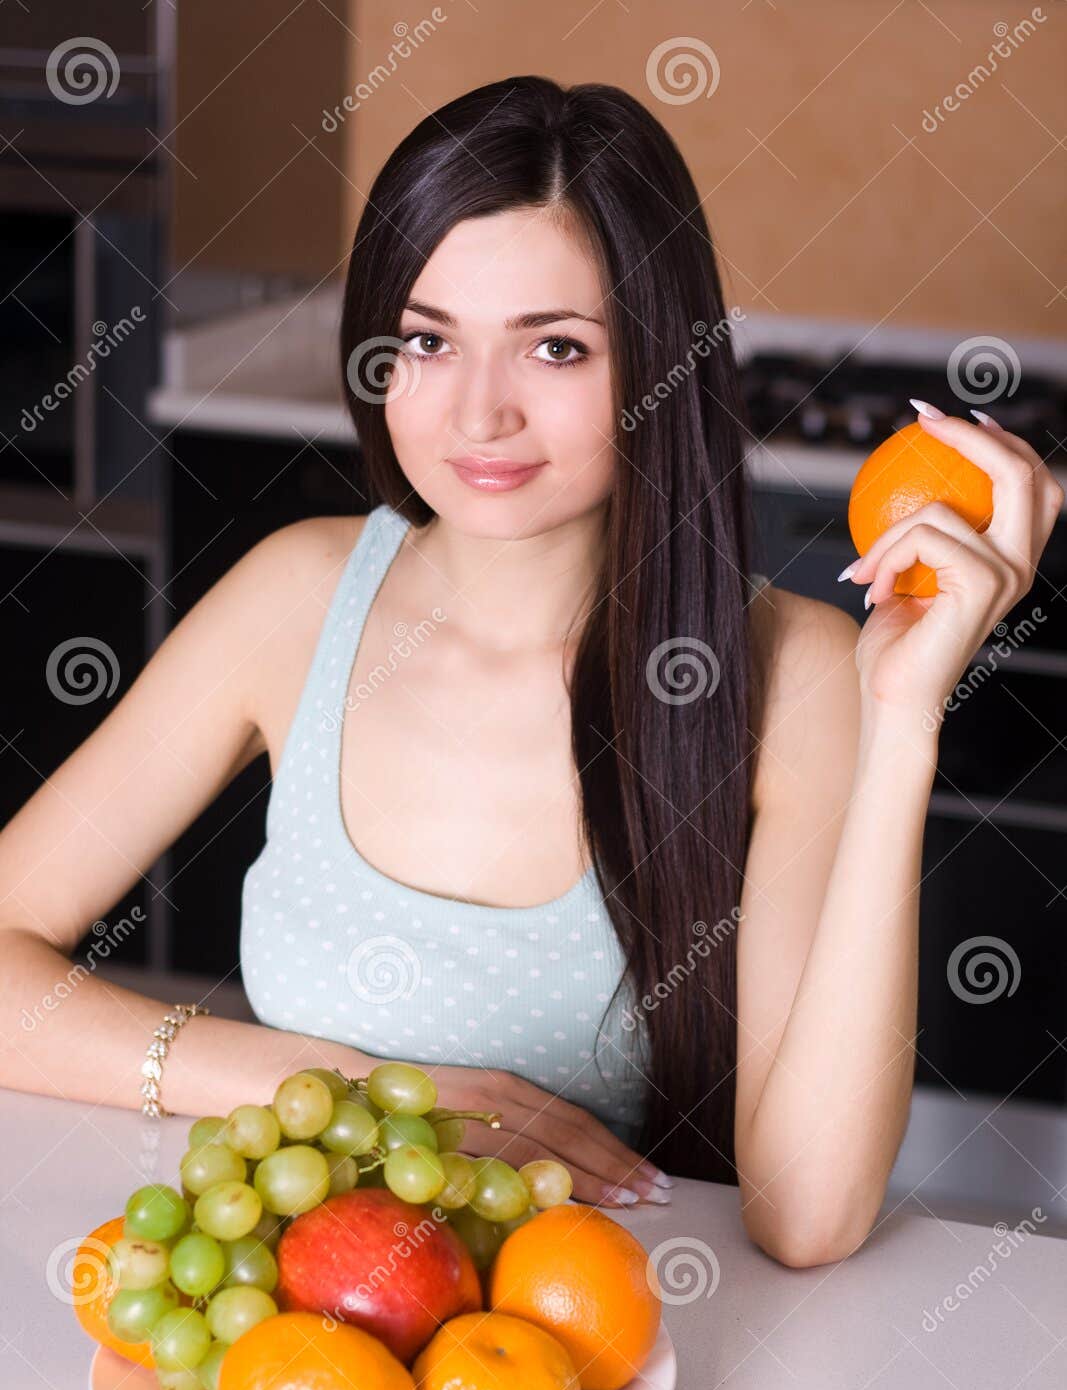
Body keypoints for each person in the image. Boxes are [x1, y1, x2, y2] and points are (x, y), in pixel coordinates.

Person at [0, 78, 1060, 1263]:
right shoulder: (293, 600)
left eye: (554, 347)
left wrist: (901, 728)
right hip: (288, 1361)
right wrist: (344, 1085)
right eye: (427, 340)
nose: (478, 414)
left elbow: (804, 1217)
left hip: (579, 1370)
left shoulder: (792, 675)